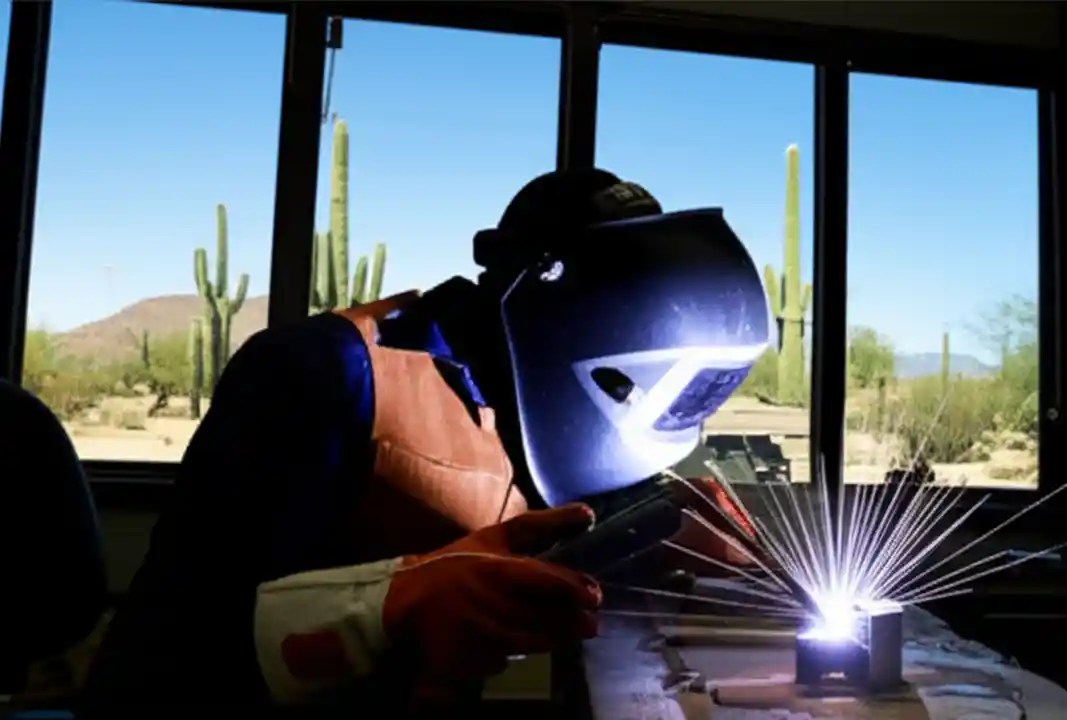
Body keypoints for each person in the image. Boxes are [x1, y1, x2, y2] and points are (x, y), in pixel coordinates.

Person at [81, 169, 772, 715]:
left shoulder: (556, 410)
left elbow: (574, 530)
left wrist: (657, 529)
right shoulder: (325, 371)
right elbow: (155, 660)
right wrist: (380, 609)